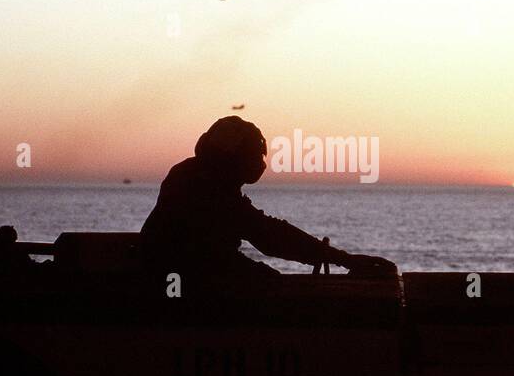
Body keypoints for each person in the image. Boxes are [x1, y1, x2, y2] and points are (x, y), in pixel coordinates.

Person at [140, 116, 396, 279]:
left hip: (173, 280)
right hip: (186, 288)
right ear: (235, 158)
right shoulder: (206, 186)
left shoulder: (196, 176)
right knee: (271, 286)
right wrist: (343, 259)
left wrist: (338, 257)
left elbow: (266, 232)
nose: (259, 162)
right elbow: (268, 235)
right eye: (252, 154)